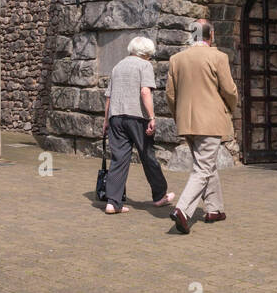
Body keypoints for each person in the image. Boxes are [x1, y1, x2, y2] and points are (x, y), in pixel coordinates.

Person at [166, 20, 238, 234]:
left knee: (205, 164)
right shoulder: (218, 57)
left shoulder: (176, 59)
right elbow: (229, 90)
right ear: (211, 35)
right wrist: (229, 109)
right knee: (203, 168)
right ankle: (183, 210)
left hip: (187, 121)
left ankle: (215, 209)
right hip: (210, 121)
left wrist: (178, 115)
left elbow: (170, 94)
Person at [102, 36, 173, 213]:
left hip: (116, 117)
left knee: (119, 159)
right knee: (148, 156)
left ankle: (113, 202)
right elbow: (145, 91)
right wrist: (152, 117)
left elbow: (109, 97)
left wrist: (105, 121)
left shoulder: (117, 66)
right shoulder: (144, 65)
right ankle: (159, 195)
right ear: (147, 53)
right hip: (137, 117)